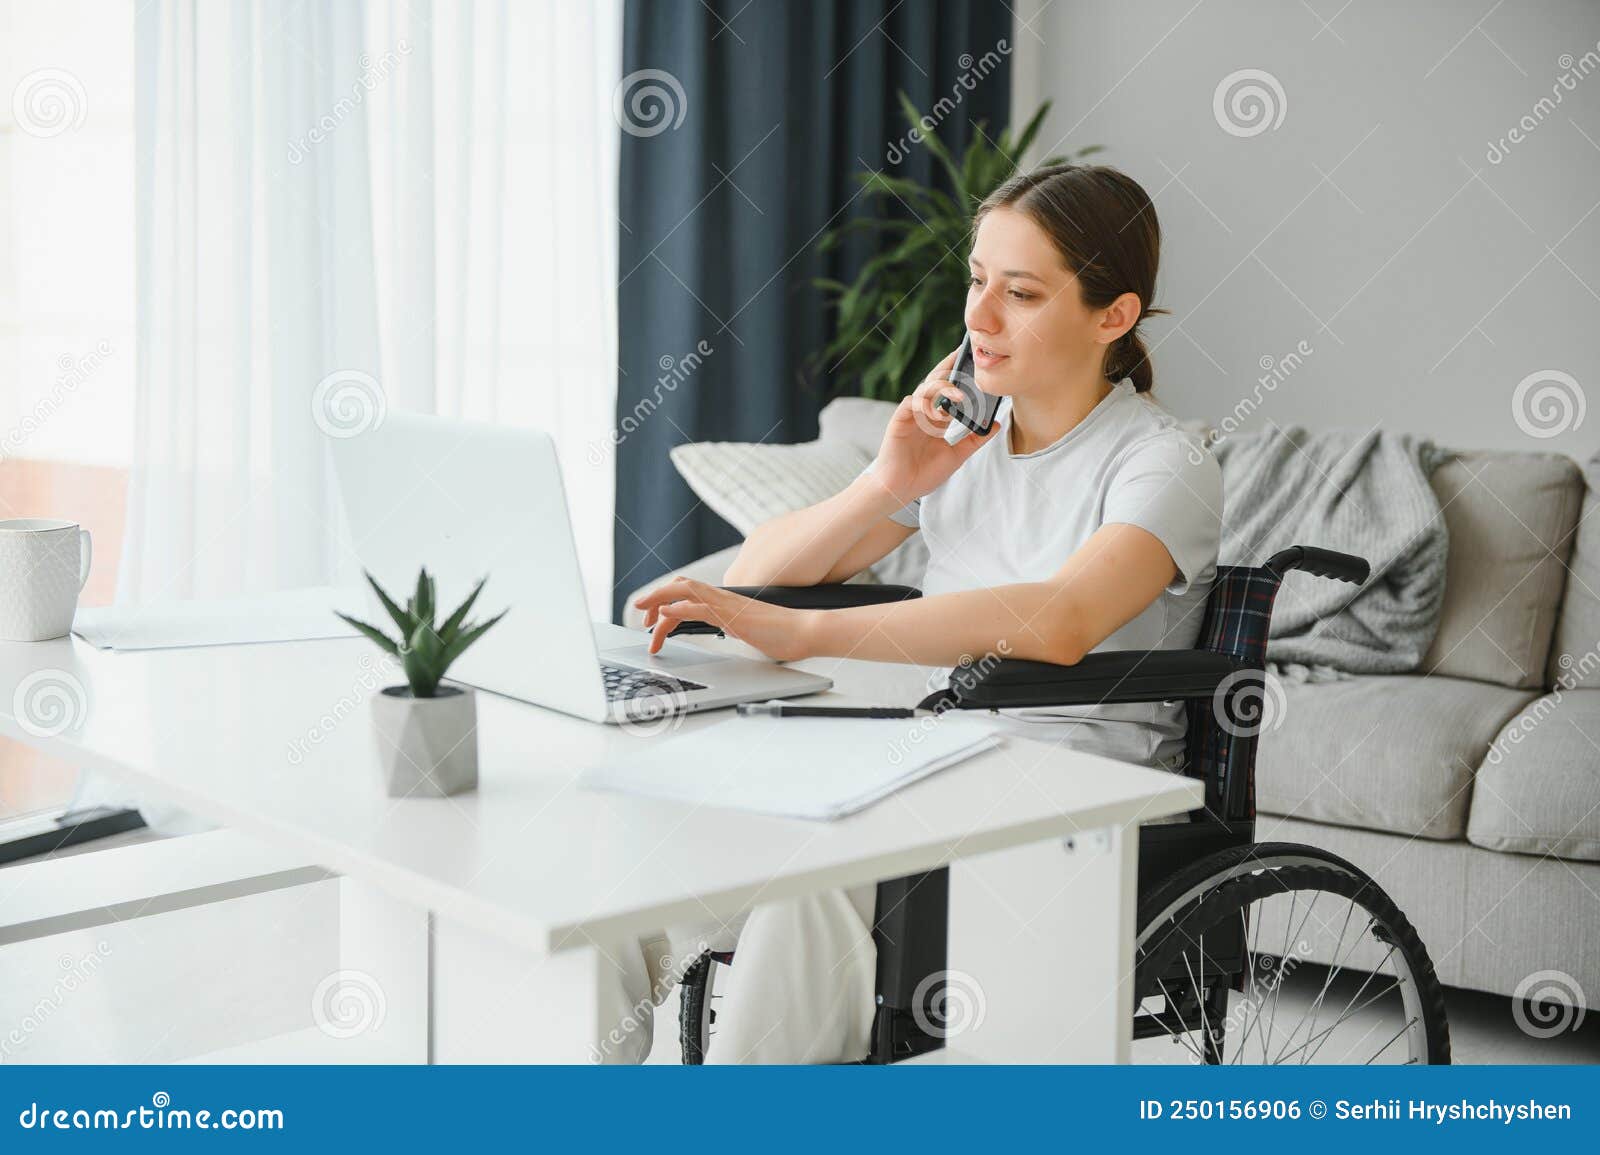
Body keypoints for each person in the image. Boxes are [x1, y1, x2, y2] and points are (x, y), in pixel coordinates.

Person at [610, 163, 1223, 1064]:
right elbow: (762, 575)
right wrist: (886, 483)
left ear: (1113, 315)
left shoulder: (1162, 462)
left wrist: (809, 634)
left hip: (1069, 793)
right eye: (977, 280)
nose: (979, 317)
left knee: (813, 873)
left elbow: (1062, 620)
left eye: (1020, 293)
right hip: (935, 762)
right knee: (627, 875)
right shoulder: (964, 443)